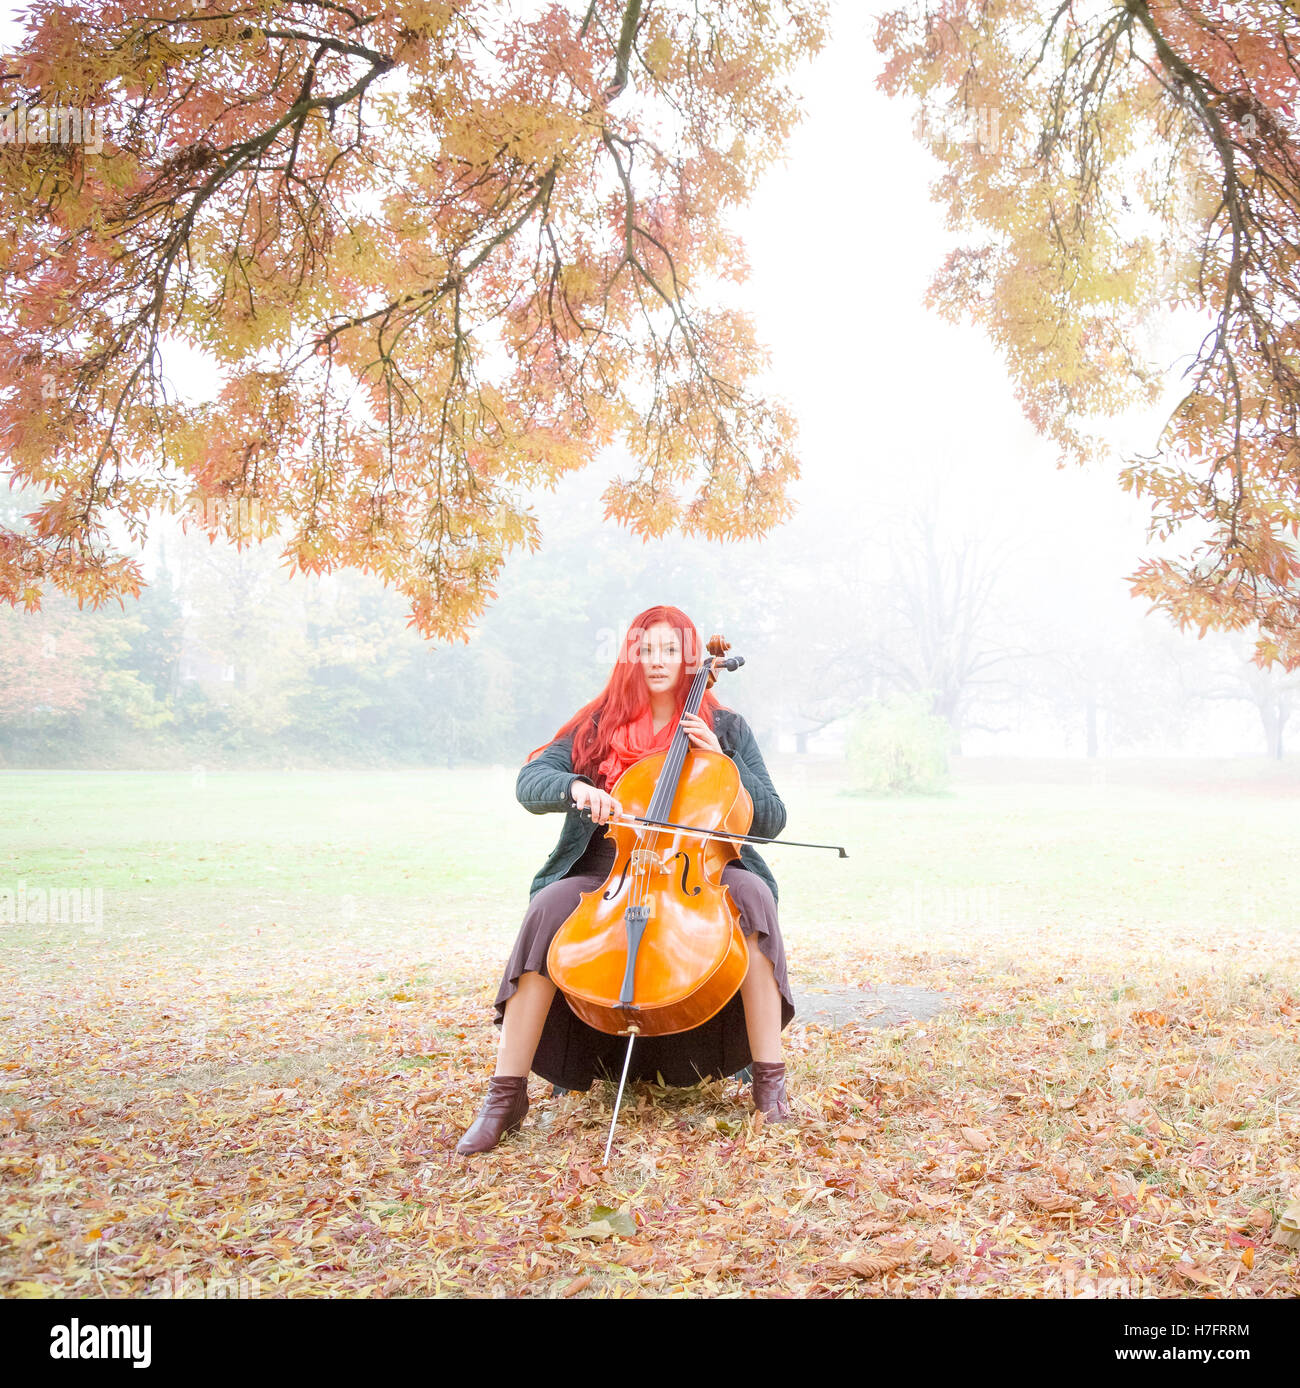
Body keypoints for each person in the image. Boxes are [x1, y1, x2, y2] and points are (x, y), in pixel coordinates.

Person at [456, 605, 796, 1155]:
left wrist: (721, 762)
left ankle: (770, 1083)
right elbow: (531, 780)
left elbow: (773, 817)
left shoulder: (726, 728)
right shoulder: (599, 723)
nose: (657, 661)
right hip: (609, 866)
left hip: (696, 866)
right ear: (631, 654)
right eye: (647, 649)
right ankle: (505, 1095)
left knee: (754, 896)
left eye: (670, 651)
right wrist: (575, 788)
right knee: (548, 909)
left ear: (690, 659)